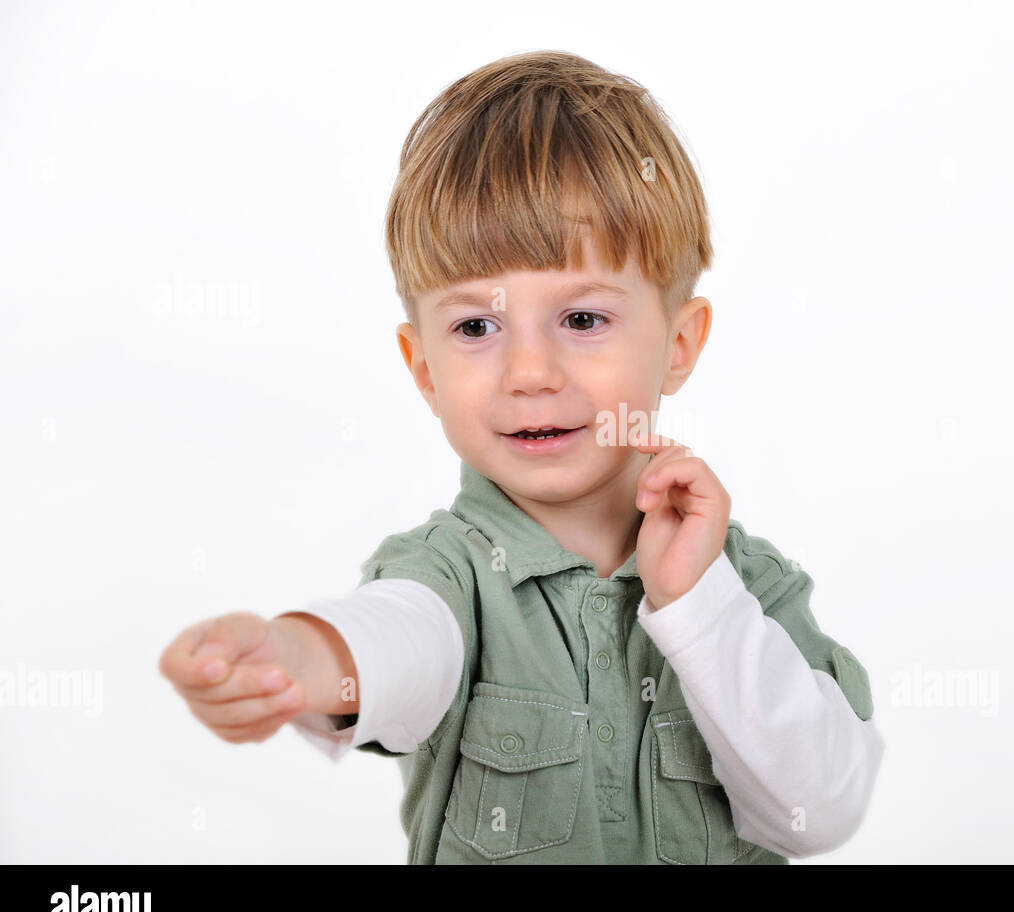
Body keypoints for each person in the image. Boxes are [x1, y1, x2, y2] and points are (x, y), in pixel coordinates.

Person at [158, 50, 885, 864]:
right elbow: (401, 639)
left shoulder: (745, 583)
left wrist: (698, 604)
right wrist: (300, 657)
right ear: (424, 369)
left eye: (581, 320)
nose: (530, 372)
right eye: (476, 327)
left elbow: (821, 809)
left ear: (679, 344)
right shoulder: (449, 574)